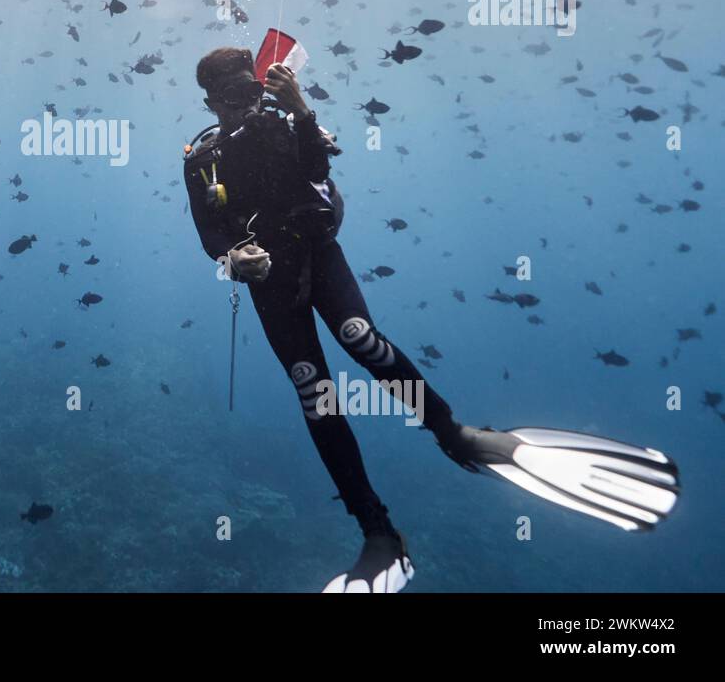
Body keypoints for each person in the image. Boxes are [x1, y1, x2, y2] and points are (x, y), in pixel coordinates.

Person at [183, 46, 681, 592]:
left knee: (361, 338)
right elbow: (211, 235)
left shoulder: (284, 124)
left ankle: (455, 434)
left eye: (252, 92)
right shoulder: (200, 161)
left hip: (317, 254)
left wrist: (300, 109)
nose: (245, 105)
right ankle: (377, 533)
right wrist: (234, 258)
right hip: (269, 280)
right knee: (313, 391)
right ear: (210, 101)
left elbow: (318, 169)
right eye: (232, 98)